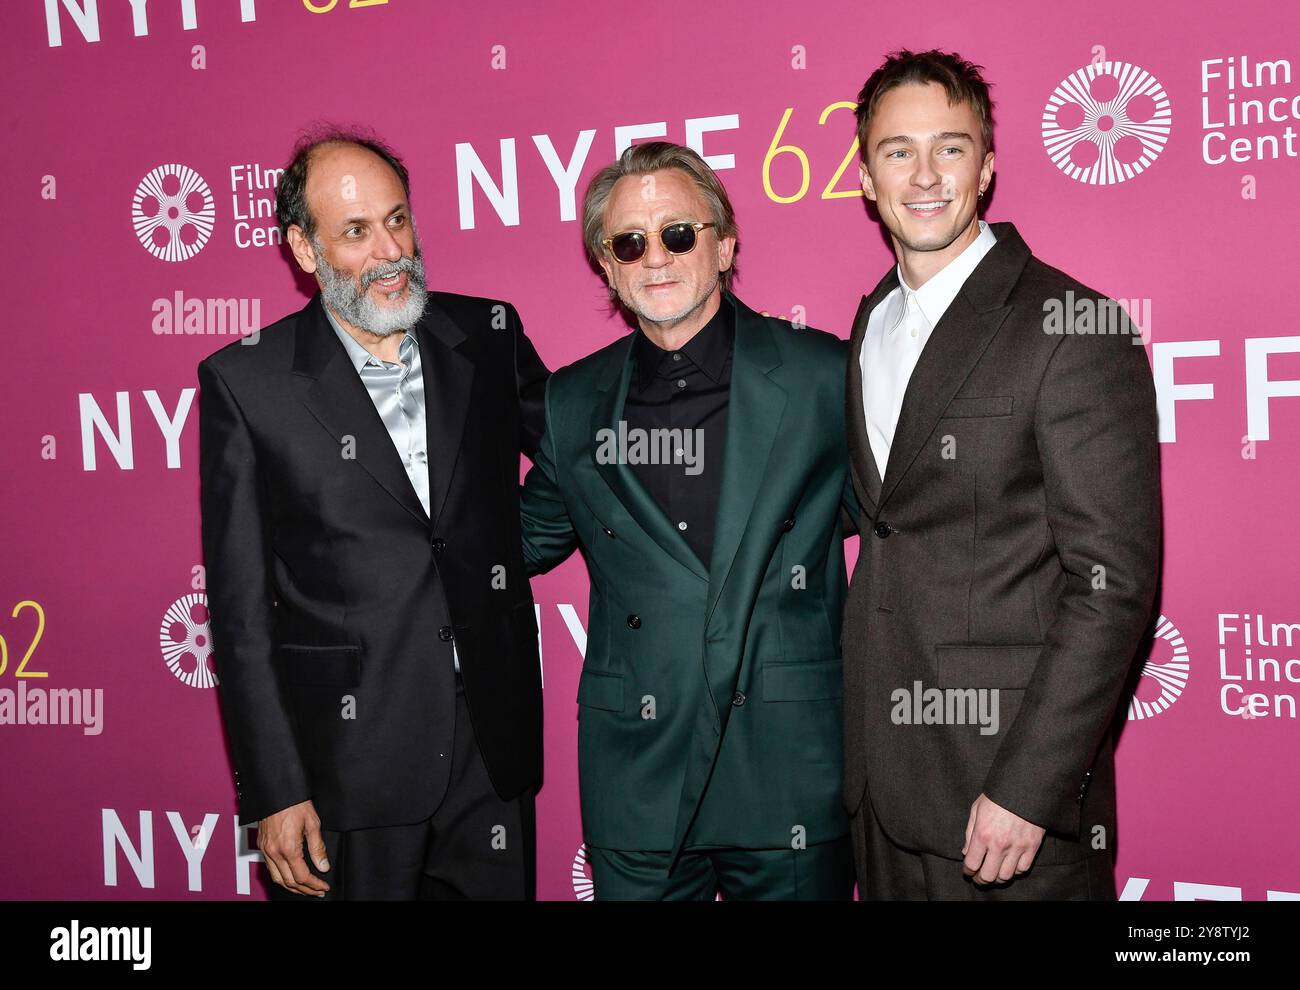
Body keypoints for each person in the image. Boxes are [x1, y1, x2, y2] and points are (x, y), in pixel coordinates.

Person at [841, 50, 1161, 899]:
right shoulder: (869, 323)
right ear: (866, 177)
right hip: (878, 792)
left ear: (987, 168)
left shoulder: (1071, 326)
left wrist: (1029, 788)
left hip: (1005, 800)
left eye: (950, 148)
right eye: (896, 151)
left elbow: (1113, 583)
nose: (923, 175)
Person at [198, 127, 549, 900]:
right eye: (355, 231)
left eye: (398, 219)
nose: (390, 251)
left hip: (492, 744)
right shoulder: (247, 382)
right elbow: (240, 608)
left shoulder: (486, 335)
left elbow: (570, 461)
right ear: (302, 246)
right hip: (348, 763)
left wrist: (513, 548)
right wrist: (275, 787)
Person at [520, 142, 857, 900]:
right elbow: (522, 540)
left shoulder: (818, 375)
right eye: (629, 243)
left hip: (786, 767)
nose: (656, 259)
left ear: (725, 245)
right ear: (606, 266)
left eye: (679, 234)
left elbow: (897, 518)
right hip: (638, 773)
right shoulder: (572, 400)